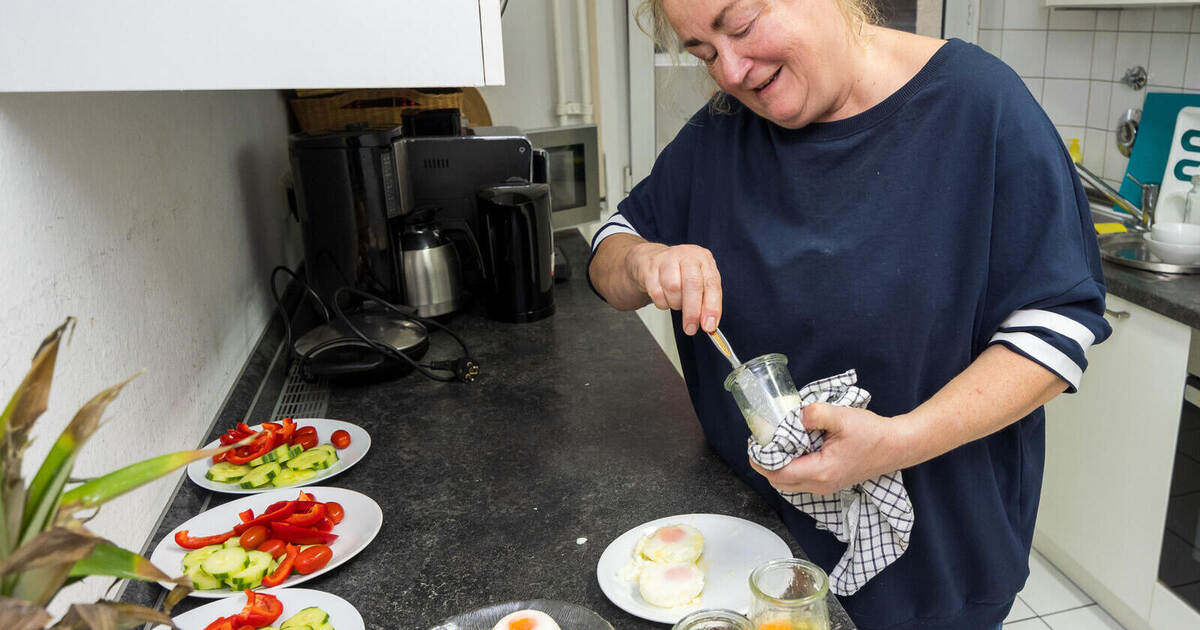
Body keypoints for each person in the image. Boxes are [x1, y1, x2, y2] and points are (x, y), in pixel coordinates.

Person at [587, 1, 1113, 629]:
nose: (728, 71)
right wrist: (646, 260)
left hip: (933, 571)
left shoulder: (979, 107)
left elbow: (1057, 329)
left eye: (743, 26)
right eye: (702, 51)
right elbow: (611, 247)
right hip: (754, 548)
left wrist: (898, 443)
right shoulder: (723, 129)